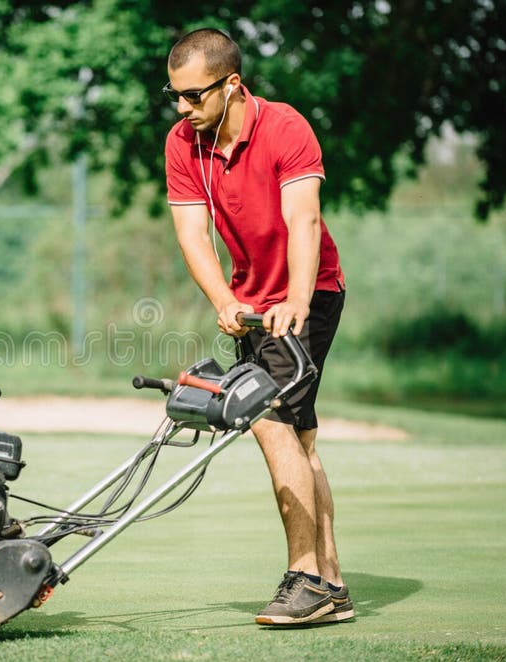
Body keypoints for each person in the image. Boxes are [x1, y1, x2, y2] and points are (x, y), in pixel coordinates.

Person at [163, 27, 353, 626]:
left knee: (270, 422)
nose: (182, 108)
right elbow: (193, 234)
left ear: (233, 84)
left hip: (311, 293)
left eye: (194, 96)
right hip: (251, 303)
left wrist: (296, 298)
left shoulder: (286, 128)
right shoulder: (182, 142)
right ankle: (333, 584)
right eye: (174, 95)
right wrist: (223, 299)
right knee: (299, 440)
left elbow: (304, 220)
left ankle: (303, 576)